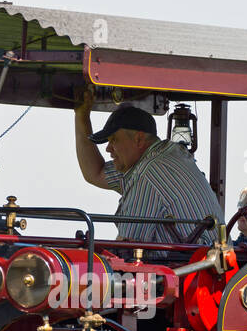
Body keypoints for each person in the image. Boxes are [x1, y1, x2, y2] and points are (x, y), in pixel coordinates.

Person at [73, 90, 220, 257]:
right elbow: (96, 173)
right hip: (206, 264)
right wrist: (81, 115)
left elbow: (126, 247)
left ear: (139, 139)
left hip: (187, 272)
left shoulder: (149, 174)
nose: (108, 148)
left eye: (114, 140)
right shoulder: (161, 157)